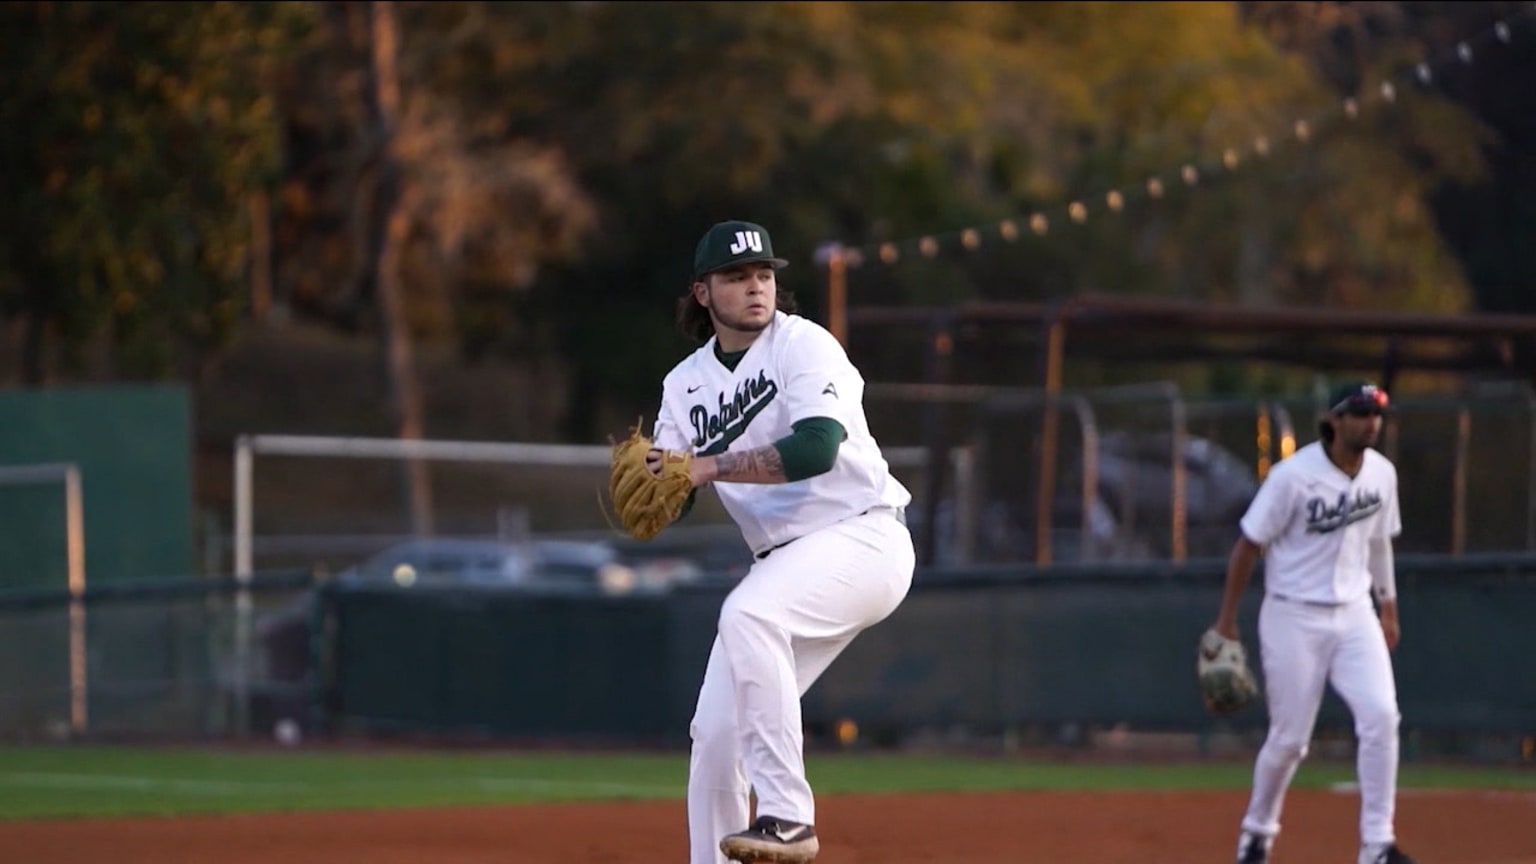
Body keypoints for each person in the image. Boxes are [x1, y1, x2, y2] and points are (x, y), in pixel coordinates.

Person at [644, 219, 915, 864]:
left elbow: (818, 448)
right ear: (703, 293)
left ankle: (789, 816)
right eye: (736, 276)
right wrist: (658, 485)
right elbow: (675, 493)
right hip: (785, 564)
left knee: (748, 613)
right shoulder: (683, 386)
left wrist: (707, 466)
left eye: (763, 274)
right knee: (716, 734)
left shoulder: (803, 344)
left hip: (862, 536)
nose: (755, 286)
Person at [1210, 381, 1415, 864]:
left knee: (1382, 718)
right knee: (1289, 742)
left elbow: (1378, 541)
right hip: (1293, 615)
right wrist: (1226, 621)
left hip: (1355, 613)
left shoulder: (1381, 474)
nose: (1371, 423)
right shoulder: (1293, 477)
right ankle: (1257, 834)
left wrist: (1387, 604)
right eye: (1360, 413)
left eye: (1376, 414)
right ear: (1334, 420)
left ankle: (1377, 844)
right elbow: (1248, 545)